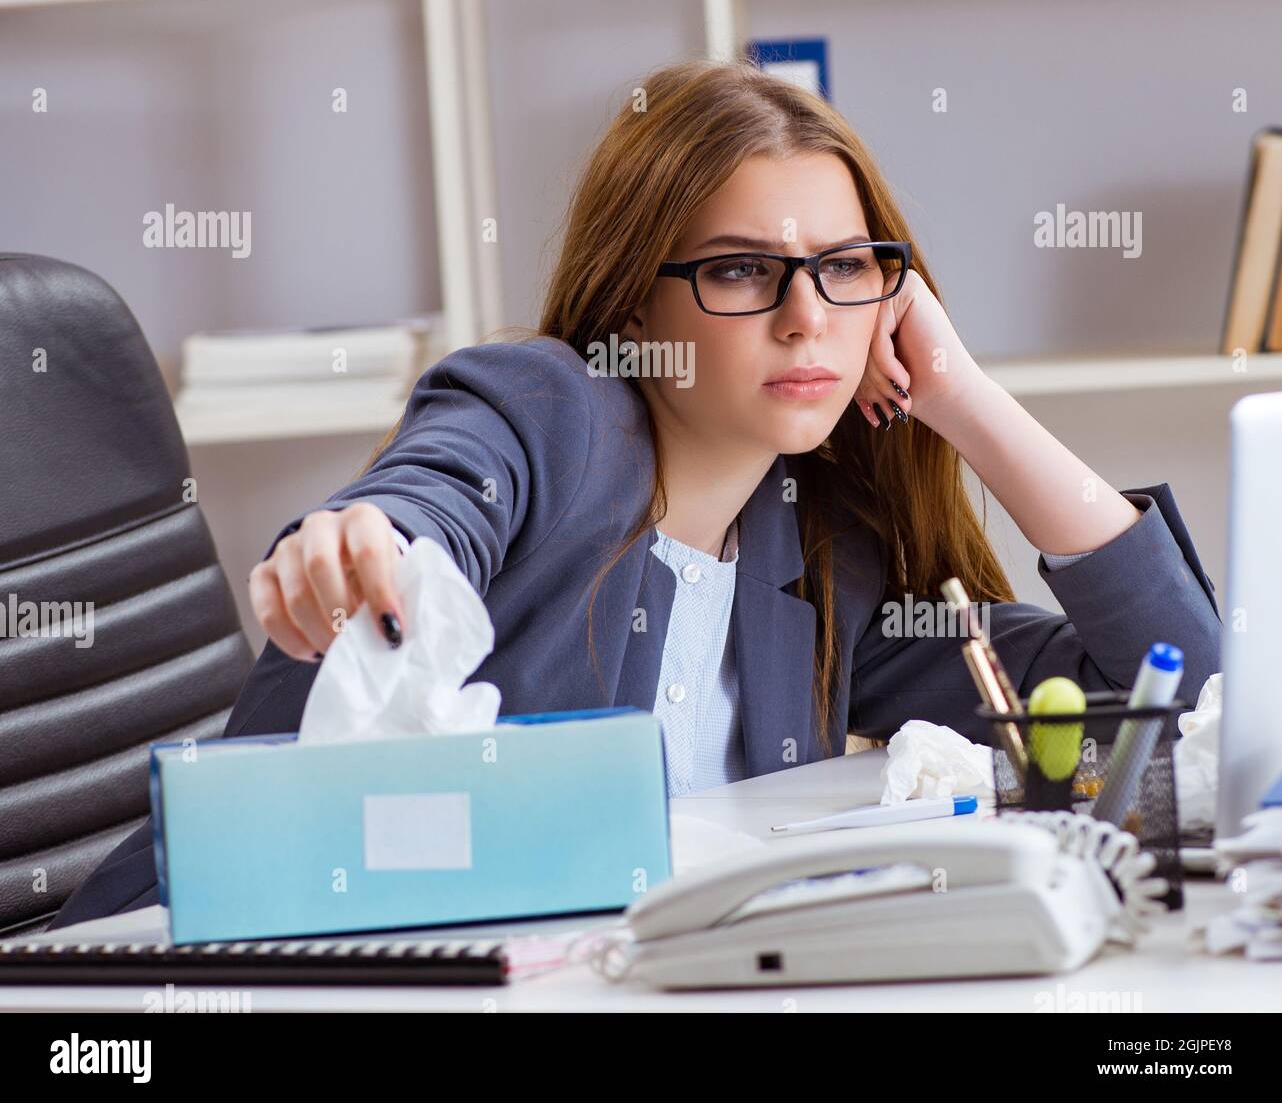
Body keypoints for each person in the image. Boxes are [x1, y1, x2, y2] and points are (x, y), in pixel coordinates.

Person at [48, 57, 1220, 929]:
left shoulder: (821, 562)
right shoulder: (547, 409)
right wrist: (358, 542)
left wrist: (962, 398)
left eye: (847, 268)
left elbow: (1181, 693)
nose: (807, 314)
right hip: (186, 965)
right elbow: (430, 501)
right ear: (631, 305)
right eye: (742, 270)